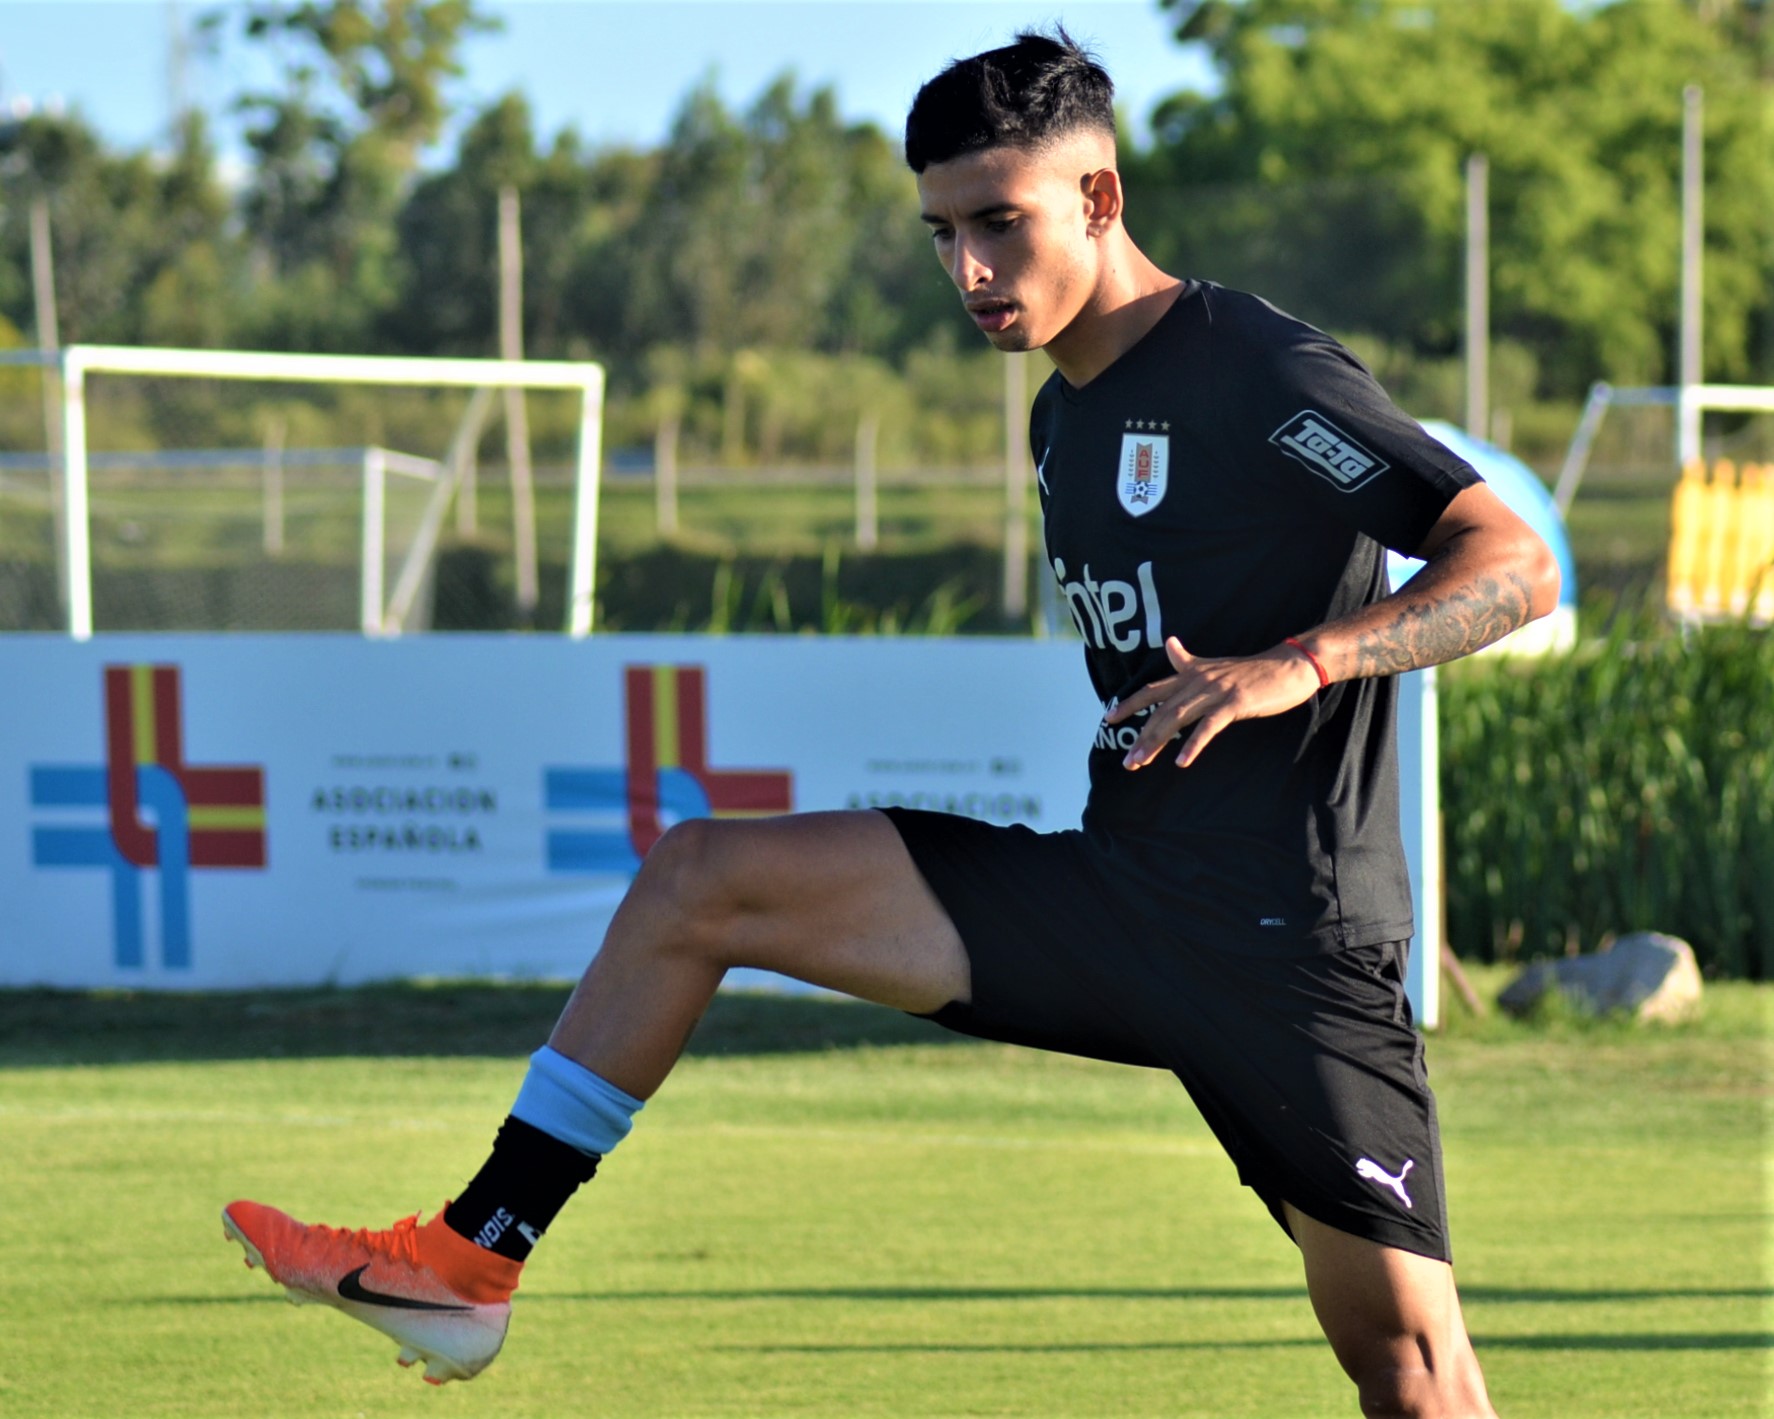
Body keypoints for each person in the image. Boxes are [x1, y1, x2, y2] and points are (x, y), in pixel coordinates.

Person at [224, 30, 1557, 1418]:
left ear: (1097, 200)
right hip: (1118, 896)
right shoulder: (1062, 418)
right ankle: (468, 1261)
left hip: (1291, 946)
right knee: (701, 880)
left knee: (1409, 1378)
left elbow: (1509, 560)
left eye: (999, 224)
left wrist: (1300, 662)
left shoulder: (1253, 368)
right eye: (940, 234)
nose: (969, 271)